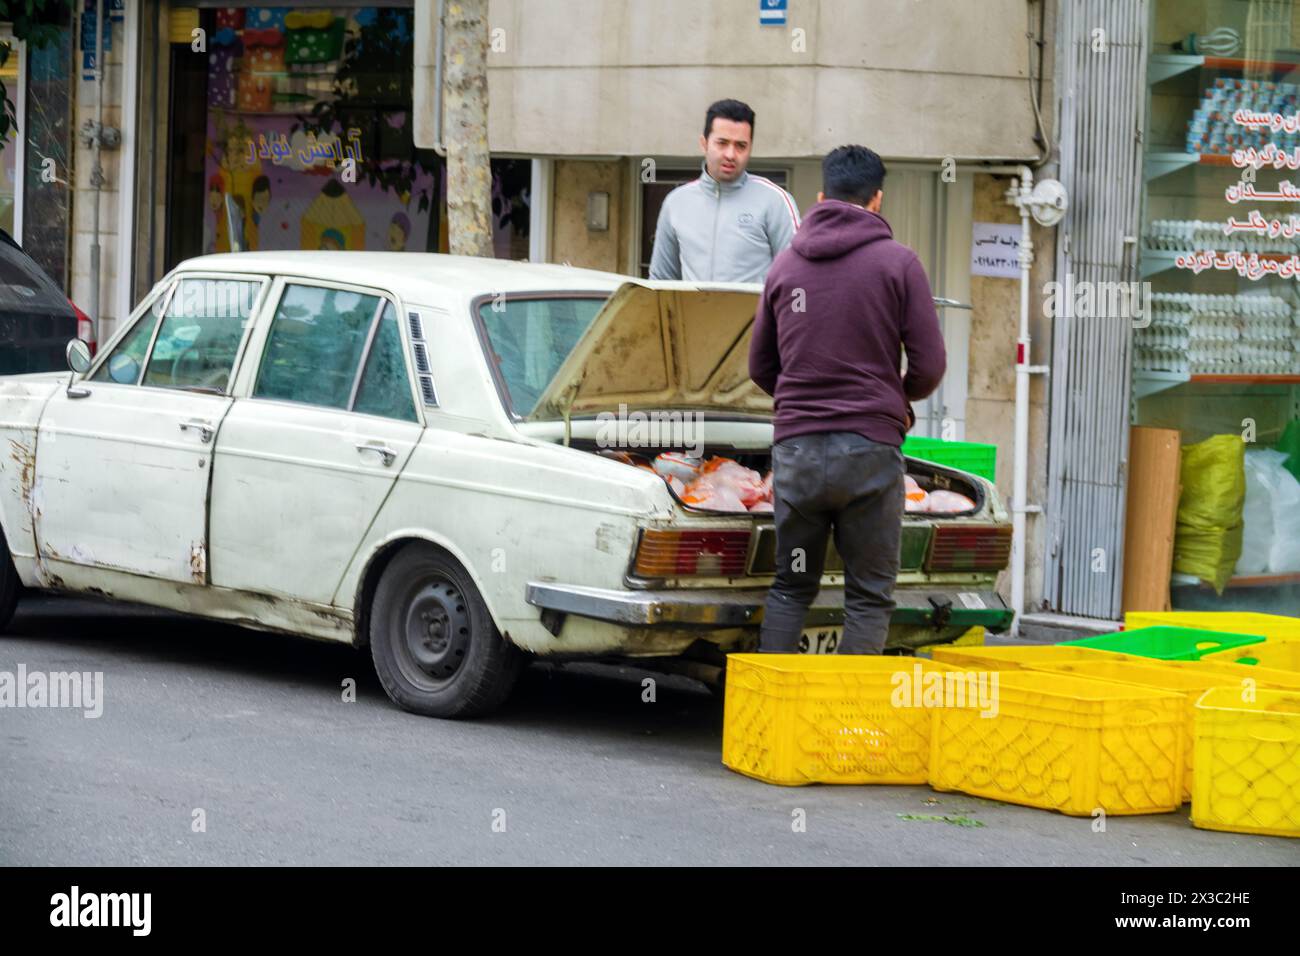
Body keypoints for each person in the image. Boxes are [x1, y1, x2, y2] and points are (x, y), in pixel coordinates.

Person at [748, 145, 947, 654]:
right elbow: (929, 366)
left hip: (797, 458)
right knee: (869, 596)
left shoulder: (785, 267)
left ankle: (774, 716)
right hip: (869, 455)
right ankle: (847, 724)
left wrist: (801, 401)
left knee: (792, 587)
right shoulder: (899, 264)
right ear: (877, 200)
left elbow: (760, 368)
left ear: (820, 197)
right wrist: (892, 400)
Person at [648, 98, 799, 283]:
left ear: (750, 147)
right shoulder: (676, 203)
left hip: (756, 313)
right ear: (704, 143)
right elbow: (661, 281)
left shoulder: (775, 201)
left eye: (740, 146)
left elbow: (795, 278)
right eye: (722, 143)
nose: (730, 154)